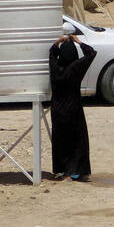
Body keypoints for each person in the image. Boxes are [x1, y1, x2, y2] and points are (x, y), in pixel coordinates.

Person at [48, 33, 94, 181]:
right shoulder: (76, 68)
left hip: (57, 110)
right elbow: (91, 53)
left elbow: (52, 53)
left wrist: (58, 42)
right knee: (78, 141)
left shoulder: (55, 69)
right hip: (74, 109)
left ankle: (62, 171)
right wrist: (78, 41)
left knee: (60, 141)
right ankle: (80, 171)